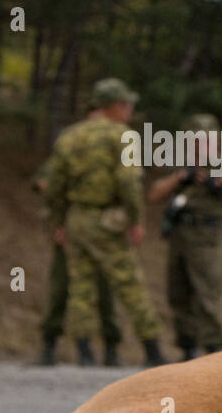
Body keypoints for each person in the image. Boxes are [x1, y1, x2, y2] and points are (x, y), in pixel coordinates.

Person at [43, 78, 165, 367]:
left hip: (76, 219)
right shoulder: (123, 136)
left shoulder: (70, 136)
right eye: (127, 104)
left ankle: (84, 351)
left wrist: (59, 222)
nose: (130, 110)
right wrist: (136, 220)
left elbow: (55, 185)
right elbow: (128, 181)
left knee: (80, 286)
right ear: (116, 106)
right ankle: (153, 351)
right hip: (107, 221)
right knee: (129, 283)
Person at [147, 113, 222, 360]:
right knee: (178, 292)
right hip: (179, 234)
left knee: (206, 292)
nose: (201, 145)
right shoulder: (182, 165)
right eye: (195, 140)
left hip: (207, 236)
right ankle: (187, 347)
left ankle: (213, 349)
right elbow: (154, 194)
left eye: (206, 139)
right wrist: (179, 178)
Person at [32, 155, 122, 366]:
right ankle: (51, 344)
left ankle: (111, 348)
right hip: (70, 232)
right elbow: (43, 184)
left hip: (103, 234)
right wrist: (60, 221)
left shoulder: (111, 154)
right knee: (60, 288)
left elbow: (126, 192)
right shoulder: (69, 151)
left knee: (105, 290)